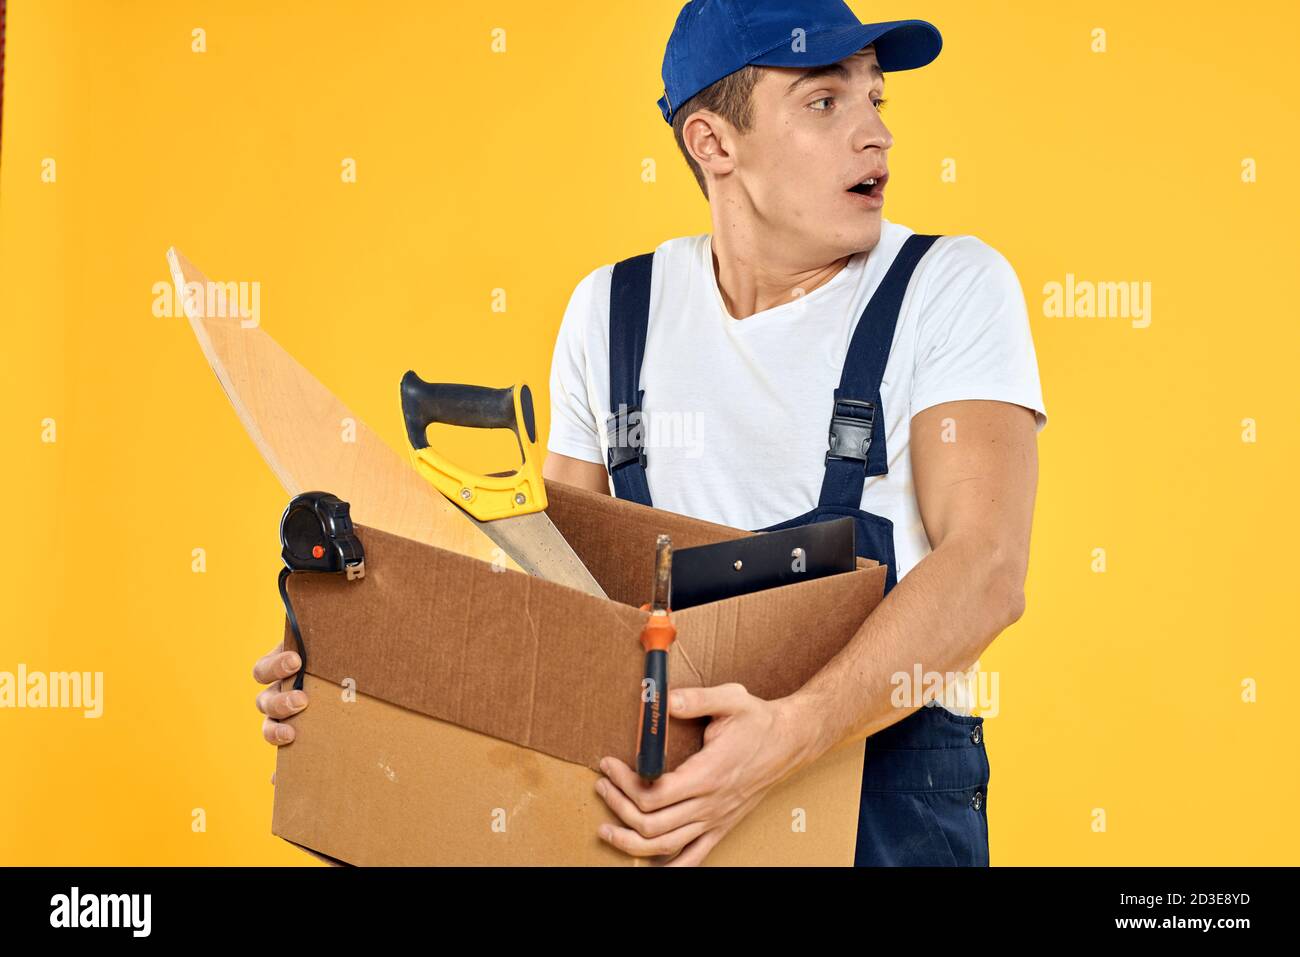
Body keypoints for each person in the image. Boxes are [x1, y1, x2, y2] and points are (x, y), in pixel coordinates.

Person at [254, 0, 1046, 867]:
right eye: (826, 101)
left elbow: (987, 571)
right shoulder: (612, 312)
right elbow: (549, 602)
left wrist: (787, 739)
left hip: (883, 808)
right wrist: (360, 684)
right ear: (713, 143)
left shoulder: (949, 287)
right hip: (652, 811)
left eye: (875, 98)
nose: (875, 135)